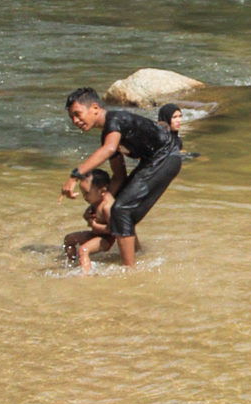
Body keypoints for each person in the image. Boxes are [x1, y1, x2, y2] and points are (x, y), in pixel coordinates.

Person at [62, 89, 183, 268]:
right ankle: (137, 254)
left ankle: (129, 269)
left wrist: (75, 175)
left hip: (167, 156)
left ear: (95, 108)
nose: (75, 121)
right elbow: (119, 177)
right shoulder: (108, 135)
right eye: (72, 117)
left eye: (77, 114)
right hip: (153, 160)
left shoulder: (115, 120)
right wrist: (98, 204)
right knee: (118, 206)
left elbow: (109, 150)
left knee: (122, 209)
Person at [63, 166, 117, 273]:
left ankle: (85, 274)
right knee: (68, 239)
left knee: (83, 250)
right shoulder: (96, 201)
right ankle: (71, 264)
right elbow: (87, 215)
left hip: (107, 239)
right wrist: (87, 217)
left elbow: (114, 230)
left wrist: (94, 225)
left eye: (86, 193)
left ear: (102, 191)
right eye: (83, 193)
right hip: (96, 234)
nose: (84, 197)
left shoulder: (107, 207)